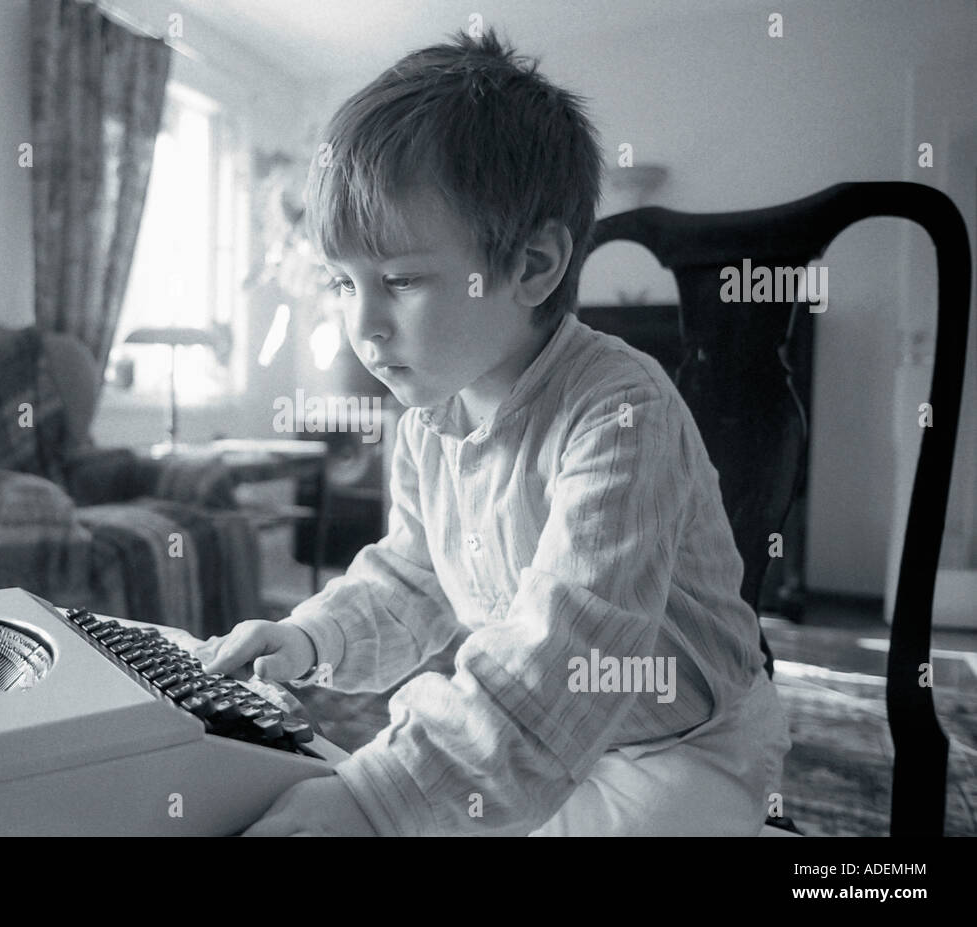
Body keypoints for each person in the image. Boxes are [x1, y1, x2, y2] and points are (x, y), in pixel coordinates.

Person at [199, 26, 790, 836]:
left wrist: (382, 799)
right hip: (544, 734)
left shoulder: (620, 410)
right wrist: (309, 635)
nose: (361, 326)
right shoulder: (426, 423)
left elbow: (570, 653)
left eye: (401, 280)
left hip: (681, 744)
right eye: (344, 282)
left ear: (533, 265)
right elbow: (412, 579)